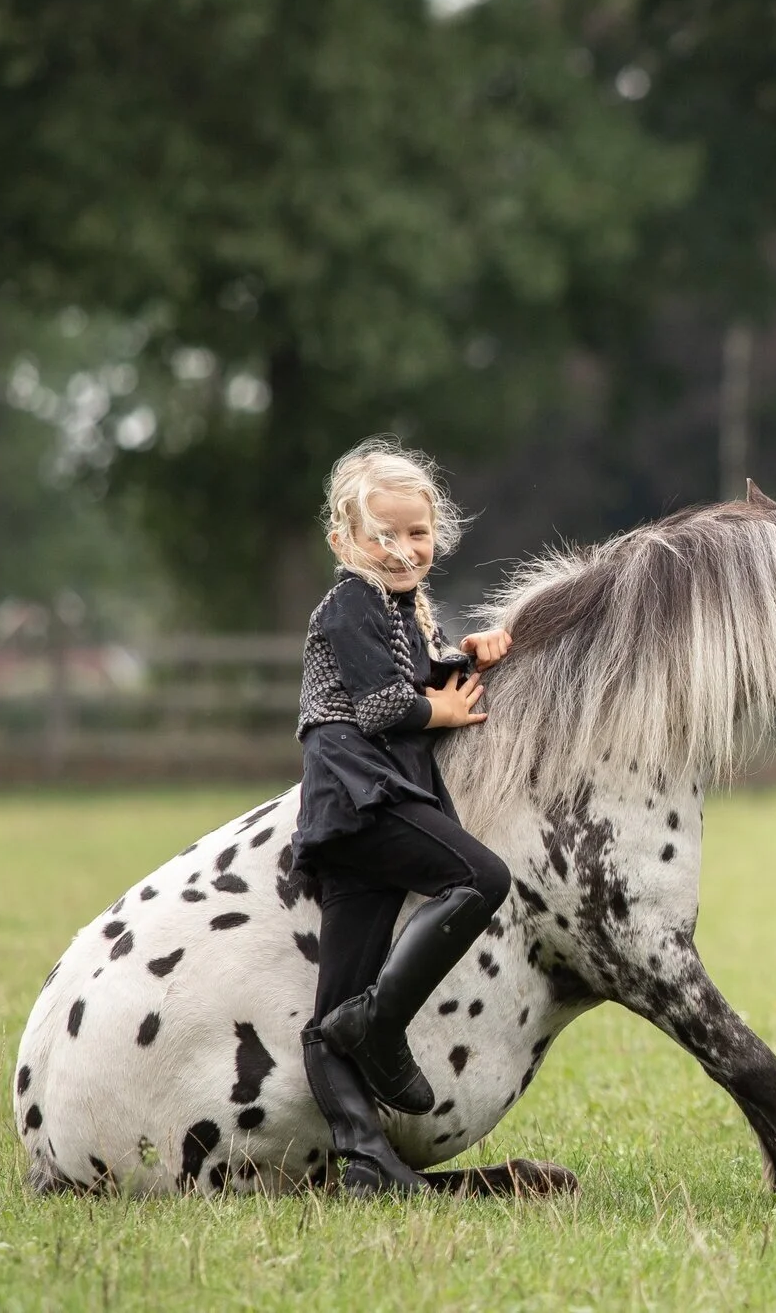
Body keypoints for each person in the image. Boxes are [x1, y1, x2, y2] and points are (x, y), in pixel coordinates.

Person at [291, 438, 514, 1193]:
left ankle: (364, 1161)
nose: (400, 549)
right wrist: (443, 709)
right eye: (381, 535)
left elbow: (417, 678)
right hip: (365, 790)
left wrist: (469, 659)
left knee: (332, 1009)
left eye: (416, 533)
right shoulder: (350, 602)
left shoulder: (405, 609)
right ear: (343, 541)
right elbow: (387, 705)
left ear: (436, 534)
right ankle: (383, 1027)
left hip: (366, 799)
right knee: (480, 877)